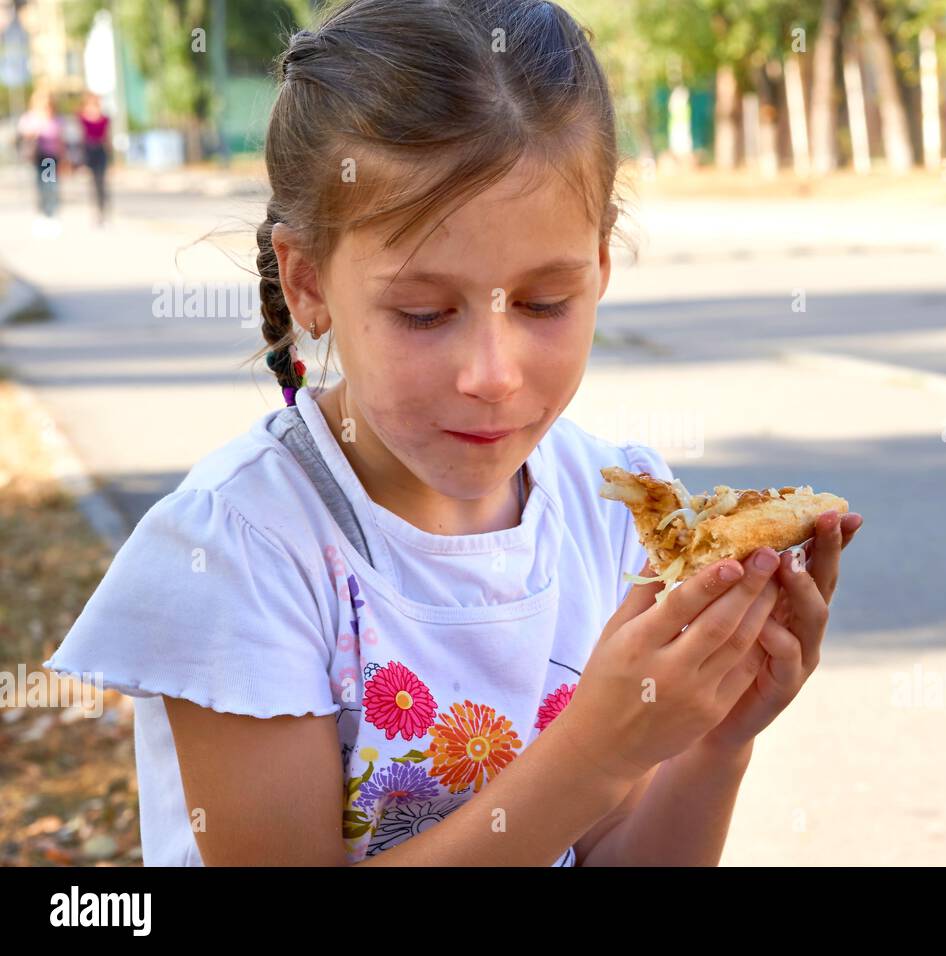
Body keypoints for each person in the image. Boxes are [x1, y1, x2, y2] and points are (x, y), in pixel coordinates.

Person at [43, 0, 862, 867]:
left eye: (545, 303)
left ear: (603, 267)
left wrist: (715, 741)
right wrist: (598, 753)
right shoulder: (239, 552)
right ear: (308, 282)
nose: (493, 372)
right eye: (425, 313)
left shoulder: (620, 511)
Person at [17, 88, 65, 225]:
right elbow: (23, 134)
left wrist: (64, 156)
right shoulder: (30, 117)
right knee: (41, 185)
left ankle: (51, 212)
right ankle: (44, 212)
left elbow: (60, 138)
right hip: (37, 155)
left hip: (50, 157)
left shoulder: (55, 118)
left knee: (50, 184)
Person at [77, 92, 112, 226]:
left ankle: (103, 212)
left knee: (101, 183)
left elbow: (106, 138)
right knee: (91, 184)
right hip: (88, 151)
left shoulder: (104, 119)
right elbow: (81, 137)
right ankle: (95, 212)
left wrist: (111, 159)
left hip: (100, 151)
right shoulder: (82, 119)